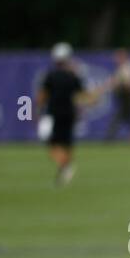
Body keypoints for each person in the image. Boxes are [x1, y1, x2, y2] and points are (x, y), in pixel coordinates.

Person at [37, 42, 84, 186]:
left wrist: (37, 110)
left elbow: (42, 96)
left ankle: (65, 167)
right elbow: (80, 96)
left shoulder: (50, 76)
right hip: (70, 113)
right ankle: (62, 177)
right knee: (67, 144)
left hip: (54, 113)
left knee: (52, 146)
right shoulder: (73, 76)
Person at [106, 49, 130, 142]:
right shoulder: (122, 67)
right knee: (128, 117)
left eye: (118, 57)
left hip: (127, 96)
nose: (116, 59)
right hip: (124, 96)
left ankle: (109, 137)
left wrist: (119, 85)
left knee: (120, 117)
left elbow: (129, 83)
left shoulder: (128, 66)